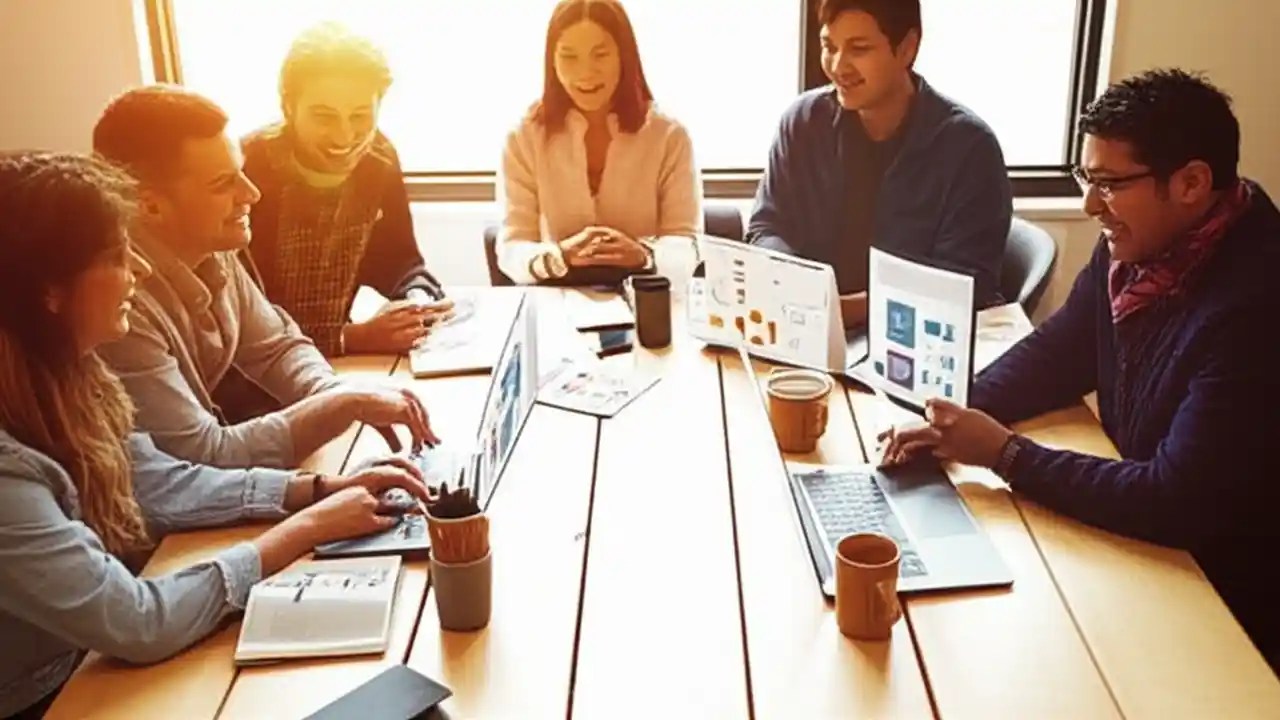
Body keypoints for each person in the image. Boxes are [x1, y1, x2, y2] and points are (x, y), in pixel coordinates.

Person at [0, 151, 434, 719]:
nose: (142, 270)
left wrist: (314, 490)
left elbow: (159, 484)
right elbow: (139, 621)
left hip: (87, 660)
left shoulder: (72, 374)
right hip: (43, 696)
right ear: (47, 292)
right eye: (115, 256)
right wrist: (303, 531)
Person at [879, 69, 1280, 672]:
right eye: (1085, 178)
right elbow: (1061, 351)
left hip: (1223, 594)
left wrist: (1006, 454)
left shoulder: (1253, 304)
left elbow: (1177, 500)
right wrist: (954, 418)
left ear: (1193, 182)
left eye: (1110, 184)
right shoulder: (1140, 248)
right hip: (1145, 542)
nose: (1091, 205)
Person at [91, 84, 439, 471]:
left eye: (240, 172)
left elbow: (276, 348)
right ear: (150, 206)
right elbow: (203, 455)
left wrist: (336, 393)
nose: (252, 193)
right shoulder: (115, 302)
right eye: (223, 184)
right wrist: (339, 407)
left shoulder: (212, 245)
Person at [747, 0, 1011, 327]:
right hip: (809, 330)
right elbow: (767, 226)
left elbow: (965, 285)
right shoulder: (802, 123)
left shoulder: (969, 148)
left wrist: (836, 311)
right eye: (829, 46)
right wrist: (793, 287)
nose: (838, 66)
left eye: (859, 49)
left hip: (920, 340)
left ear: (907, 48)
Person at [241, 22, 452, 357]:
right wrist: (351, 338)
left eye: (360, 115)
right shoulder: (246, 169)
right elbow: (237, 320)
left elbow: (399, 260)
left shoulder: (378, 158)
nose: (345, 136)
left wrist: (417, 298)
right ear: (288, 107)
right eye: (324, 117)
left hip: (333, 365)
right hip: (259, 372)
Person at [496, 0, 702, 286]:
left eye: (600, 55)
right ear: (552, 62)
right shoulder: (523, 137)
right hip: (559, 301)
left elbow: (689, 246)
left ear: (624, 57)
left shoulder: (669, 136)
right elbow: (511, 249)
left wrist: (643, 254)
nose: (585, 73)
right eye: (569, 57)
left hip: (648, 301)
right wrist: (559, 256)